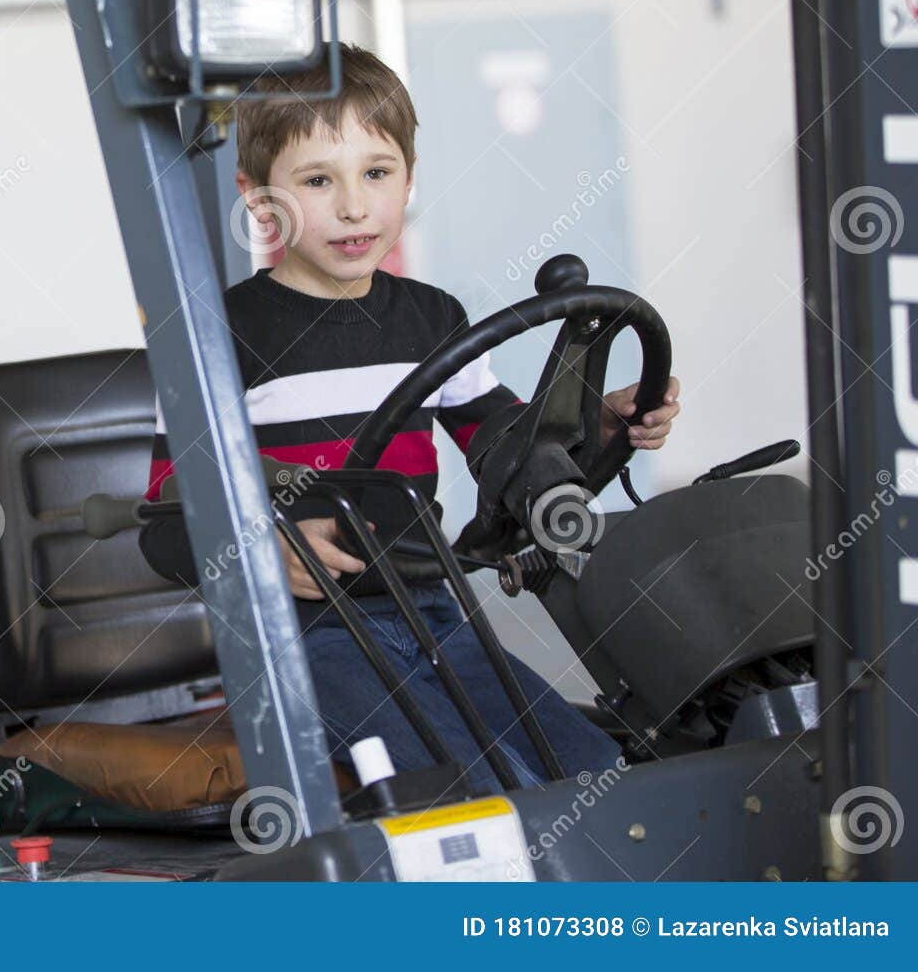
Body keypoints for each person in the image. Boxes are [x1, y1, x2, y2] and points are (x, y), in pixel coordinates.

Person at [138, 43, 682, 793]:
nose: (355, 206)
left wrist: (602, 428)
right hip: (302, 637)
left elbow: (503, 441)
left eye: (376, 173)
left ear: (409, 178)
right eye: (318, 180)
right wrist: (264, 548)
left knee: (593, 774)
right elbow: (166, 522)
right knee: (480, 788)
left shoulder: (432, 319)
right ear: (259, 199)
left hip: (434, 609)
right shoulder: (221, 337)